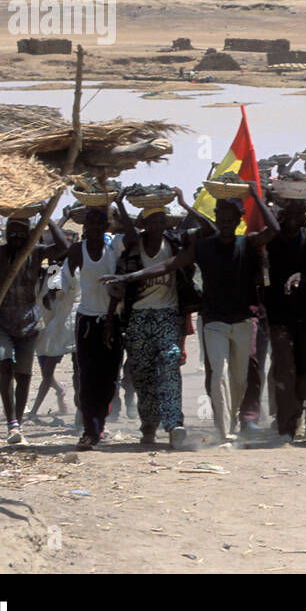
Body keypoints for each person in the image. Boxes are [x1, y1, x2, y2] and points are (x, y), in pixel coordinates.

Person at [104, 190, 279, 441]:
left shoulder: (234, 242)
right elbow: (164, 264)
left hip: (224, 318)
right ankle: (210, 428)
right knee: (208, 374)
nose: (226, 223)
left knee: (230, 377)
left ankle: (207, 419)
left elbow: (270, 229)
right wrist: (127, 277)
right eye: (221, 217)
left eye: (231, 218)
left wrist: (251, 194)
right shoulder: (190, 248)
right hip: (194, 320)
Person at [113, 190, 196, 449]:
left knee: (170, 363)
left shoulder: (174, 245)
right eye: (153, 221)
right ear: (145, 225)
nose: (159, 226)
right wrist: (118, 203)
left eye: (162, 221)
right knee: (142, 374)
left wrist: (185, 204)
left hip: (167, 315)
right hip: (137, 317)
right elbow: (127, 230)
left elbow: (205, 232)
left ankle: (173, 424)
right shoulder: (133, 249)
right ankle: (149, 424)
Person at [0, 211, 69, 445]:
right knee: (5, 368)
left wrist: (47, 216)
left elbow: (62, 247)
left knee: (23, 375)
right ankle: (11, 421)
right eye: (12, 233)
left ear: (28, 236)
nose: (16, 238)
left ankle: (17, 423)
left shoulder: (36, 253)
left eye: (21, 234)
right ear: (7, 234)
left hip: (28, 322)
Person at [264, 180, 306, 440]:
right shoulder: (273, 239)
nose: (292, 217)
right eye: (288, 212)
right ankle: (285, 425)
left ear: (304, 216)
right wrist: (266, 195)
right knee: (284, 370)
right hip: (279, 316)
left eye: (298, 212)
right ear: (281, 213)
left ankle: (298, 412)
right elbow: (264, 224)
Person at [65, 206, 125, 450]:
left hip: (113, 319)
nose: (95, 228)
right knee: (87, 376)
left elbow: (133, 235)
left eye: (101, 224)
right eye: (90, 223)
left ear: (107, 227)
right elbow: (60, 273)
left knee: (109, 378)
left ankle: (98, 424)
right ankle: (90, 430)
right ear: (84, 227)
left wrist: (119, 205)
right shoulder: (78, 250)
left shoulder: (114, 248)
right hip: (87, 321)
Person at [30, 257, 76, 422]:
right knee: (46, 373)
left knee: (47, 374)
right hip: (42, 331)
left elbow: (55, 296)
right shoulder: (40, 275)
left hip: (57, 330)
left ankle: (33, 411)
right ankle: (60, 390)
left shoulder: (58, 275)